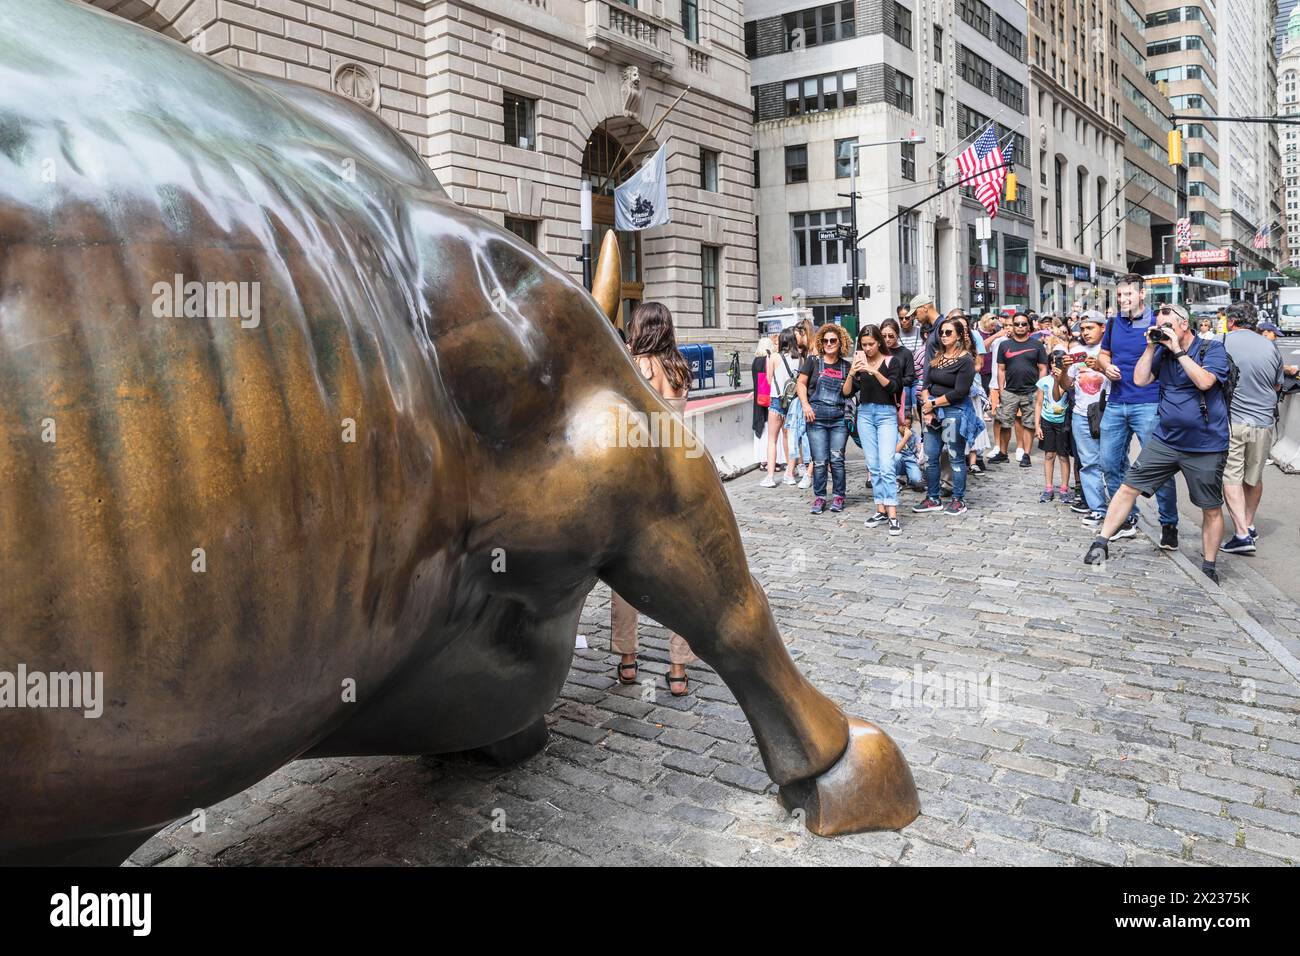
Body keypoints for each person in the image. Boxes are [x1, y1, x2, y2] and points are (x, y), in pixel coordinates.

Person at [1084, 302, 1231, 584]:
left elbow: (1205, 382)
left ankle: (1209, 565)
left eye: (1168, 325)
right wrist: (1151, 347)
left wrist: (1177, 350)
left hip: (1205, 444)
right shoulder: (1161, 351)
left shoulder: (1210, 349)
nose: (1163, 331)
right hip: (1166, 440)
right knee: (1129, 486)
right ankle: (1101, 541)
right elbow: (1140, 380)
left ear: (1184, 324)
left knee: (1209, 506)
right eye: (1159, 326)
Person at [613, 302, 696, 694]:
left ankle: (628, 660)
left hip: (640, 474)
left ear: (640, 327)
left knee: (625, 571)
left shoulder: (636, 365)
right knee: (681, 575)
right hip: (677, 474)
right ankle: (677, 669)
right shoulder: (679, 367)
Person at [1098, 273, 1180, 550]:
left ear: (1142, 294)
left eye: (1128, 294)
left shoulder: (1158, 320)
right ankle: (1127, 518)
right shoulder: (1112, 322)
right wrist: (1104, 365)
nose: (1122, 299)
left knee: (1159, 467)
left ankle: (1169, 524)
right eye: (1119, 295)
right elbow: (1103, 353)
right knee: (1109, 463)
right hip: (1116, 402)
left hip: (1149, 403)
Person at [1220, 303, 1283, 554]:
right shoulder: (1270, 346)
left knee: (1230, 476)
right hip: (1264, 422)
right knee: (1253, 478)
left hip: (1233, 421)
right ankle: (1248, 523)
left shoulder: (1222, 342)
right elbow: (1277, 385)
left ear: (1231, 321)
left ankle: (1241, 533)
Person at [913, 316, 981, 515]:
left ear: (959, 335)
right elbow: (926, 384)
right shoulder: (937, 357)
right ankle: (933, 498)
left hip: (954, 412)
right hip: (933, 413)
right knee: (931, 456)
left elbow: (959, 392)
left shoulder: (965, 360)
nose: (943, 336)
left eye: (948, 332)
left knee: (955, 457)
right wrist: (928, 408)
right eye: (941, 332)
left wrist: (932, 403)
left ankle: (958, 499)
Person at [1054, 311, 1110, 522]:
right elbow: (1066, 386)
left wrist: (1101, 367)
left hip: (1107, 411)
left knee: (1113, 462)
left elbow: (1122, 378)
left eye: (1090, 328)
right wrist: (1065, 369)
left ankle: (1120, 508)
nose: (1085, 332)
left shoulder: (1109, 350)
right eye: (1083, 328)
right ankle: (1097, 507)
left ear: (1102, 327)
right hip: (1080, 412)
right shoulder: (1076, 350)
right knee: (1087, 462)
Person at [851, 325, 906, 534]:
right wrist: (852, 373)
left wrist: (873, 370)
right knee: (873, 466)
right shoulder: (859, 362)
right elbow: (847, 393)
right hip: (864, 414)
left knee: (887, 464)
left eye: (871, 344)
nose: (867, 349)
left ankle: (893, 515)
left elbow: (894, 387)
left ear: (879, 343)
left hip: (886, 414)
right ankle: (880, 509)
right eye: (863, 345)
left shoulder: (892, 361)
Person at [797, 323, 854, 514]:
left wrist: (854, 374)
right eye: (826, 340)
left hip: (839, 419)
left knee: (837, 459)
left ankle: (839, 495)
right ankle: (820, 497)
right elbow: (801, 383)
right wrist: (805, 405)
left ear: (841, 343)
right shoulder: (813, 361)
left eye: (833, 341)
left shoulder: (847, 366)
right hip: (816, 419)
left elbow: (848, 392)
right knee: (819, 460)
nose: (829, 344)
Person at [994, 312, 1047, 469]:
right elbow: (1001, 369)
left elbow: (1043, 368)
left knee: (1029, 424)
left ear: (1029, 326)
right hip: (1009, 391)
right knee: (1004, 423)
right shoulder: (1004, 345)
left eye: (1023, 324)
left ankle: (1026, 454)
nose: (1020, 327)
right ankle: (1003, 453)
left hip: (1031, 391)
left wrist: (1040, 388)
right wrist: (1001, 390)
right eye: (1016, 324)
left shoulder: (1037, 345)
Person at [760, 328, 800, 487]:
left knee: (772, 439)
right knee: (790, 438)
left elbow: (769, 380)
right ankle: (789, 474)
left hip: (777, 400)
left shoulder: (775, 357)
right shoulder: (800, 359)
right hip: (793, 401)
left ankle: (770, 476)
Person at [1034, 354, 1073, 503]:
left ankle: (1064, 488)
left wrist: (1059, 378)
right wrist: (1037, 425)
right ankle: (1048, 487)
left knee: (1063, 456)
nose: (1056, 366)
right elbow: (1038, 403)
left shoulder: (1068, 380)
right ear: (1050, 364)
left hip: (1063, 422)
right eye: (1054, 363)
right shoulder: (1043, 381)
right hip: (1047, 421)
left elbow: (1058, 395)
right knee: (1049, 455)